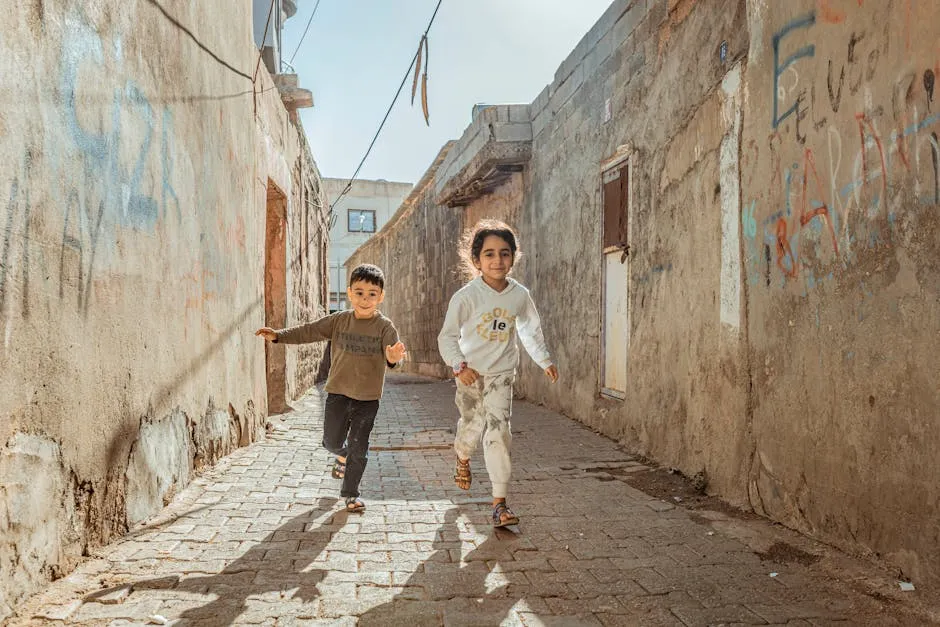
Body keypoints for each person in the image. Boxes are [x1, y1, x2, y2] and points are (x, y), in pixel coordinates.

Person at [256, 263, 406, 513]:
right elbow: (310, 331)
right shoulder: (339, 320)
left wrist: (392, 357)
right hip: (337, 393)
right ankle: (342, 455)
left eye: (371, 293)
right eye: (359, 292)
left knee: (360, 447)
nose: (365, 299)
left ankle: (351, 494)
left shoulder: (385, 327)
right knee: (331, 441)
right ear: (349, 293)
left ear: (381, 296)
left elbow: (395, 361)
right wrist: (278, 335)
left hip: (367, 399)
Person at [438, 219, 558, 527]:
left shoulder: (519, 295)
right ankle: (462, 456)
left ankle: (499, 504)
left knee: (498, 432)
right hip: (471, 376)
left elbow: (530, 331)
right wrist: (458, 366)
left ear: (513, 257)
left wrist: (544, 360)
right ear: (476, 260)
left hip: (502, 375)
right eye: (489, 254)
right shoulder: (466, 297)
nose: (497, 260)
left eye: (505, 253)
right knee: (471, 426)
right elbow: (448, 337)